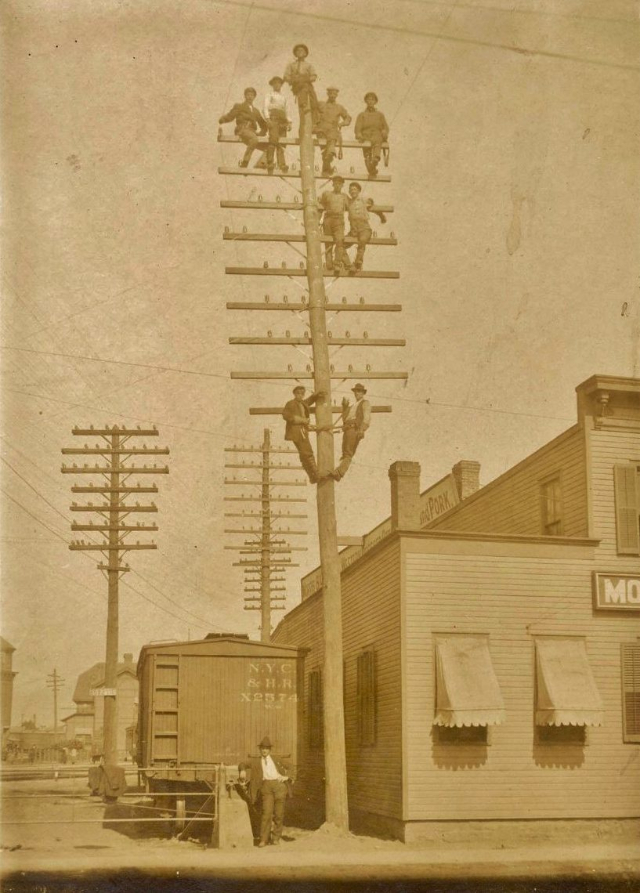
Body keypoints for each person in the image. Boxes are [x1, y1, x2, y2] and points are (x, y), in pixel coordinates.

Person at [238, 736, 292, 847]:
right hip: (266, 787)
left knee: (279, 814)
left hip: (279, 786)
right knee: (266, 813)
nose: (264, 750)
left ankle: (276, 838)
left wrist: (287, 777)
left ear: (270, 750)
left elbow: (291, 767)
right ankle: (264, 839)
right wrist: (242, 770)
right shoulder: (256, 761)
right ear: (260, 749)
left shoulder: (277, 759)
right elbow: (242, 763)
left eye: (266, 748)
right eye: (262, 748)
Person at [329, 383, 371, 481]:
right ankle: (338, 474)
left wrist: (362, 429)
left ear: (363, 393)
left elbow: (367, 417)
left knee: (348, 453)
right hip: (347, 430)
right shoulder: (353, 405)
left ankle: (339, 472)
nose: (357, 393)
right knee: (345, 453)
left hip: (354, 430)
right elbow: (345, 418)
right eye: (355, 391)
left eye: (359, 391)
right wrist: (345, 406)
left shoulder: (365, 403)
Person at [282, 386, 324, 483]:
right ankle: (316, 475)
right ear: (295, 394)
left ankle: (312, 477)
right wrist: (303, 420)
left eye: (302, 394)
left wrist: (315, 395)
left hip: (302, 431)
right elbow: (286, 415)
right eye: (298, 393)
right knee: (308, 452)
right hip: (297, 431)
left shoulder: (302, 403)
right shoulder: (291, 403)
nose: (300, 395)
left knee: (303, 454)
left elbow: (309, 401)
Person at [219, 87, 268, 168]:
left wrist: (261, 133)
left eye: (252, 95)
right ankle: (245, 162)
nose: (250, 97)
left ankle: (260, 165)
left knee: (268, 147)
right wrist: (223, 119)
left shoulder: (256, 111)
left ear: (254, 97)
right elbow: (230, 116)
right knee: (254, 139)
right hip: (242, 130)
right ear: (245, 96)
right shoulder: (239, 106)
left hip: (252, 133)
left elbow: (263, 125)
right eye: (248, 95)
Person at [346, 181, 387, 271]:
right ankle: (347, 265)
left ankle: (358, 263)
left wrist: (382, 216)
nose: (353, 191)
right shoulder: (348, 202)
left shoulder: (363, 200)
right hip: (353, 230)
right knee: (341, 244)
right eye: (351, 190)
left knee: (362, 240)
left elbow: (375, 207)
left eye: (355, 189)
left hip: (364, 228)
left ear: (359, 191)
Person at [318, 175, 353, 273]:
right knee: (328, 243)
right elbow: (320, 206)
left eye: (340, 184)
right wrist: (318, 220)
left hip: (338, 220)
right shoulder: (327, 194)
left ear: (342, 185)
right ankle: (329, 265)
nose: (337, 185)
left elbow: (352, 206)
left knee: (339, 241)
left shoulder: (344, 196)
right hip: (328, 219)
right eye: (336, 183)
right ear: (333, 184)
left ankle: (337, 263)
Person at [315, 87, 351, 175]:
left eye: (334, 94)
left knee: (331, 140)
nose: (332, 96)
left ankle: (329, 158)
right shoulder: (321, 104)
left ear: (336, 95)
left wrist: (342, 124)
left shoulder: (339, 107)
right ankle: (328, 159)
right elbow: (313, 113)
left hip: (332, 129)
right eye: (330, 93)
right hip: (321, 130)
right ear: (328, 94)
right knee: (325, 150)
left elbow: (348, 118)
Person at [355, 92, 389, 178]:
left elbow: (385, 127)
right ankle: (372, 168)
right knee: (367, 156)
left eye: (372, 99)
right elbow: (357, 128)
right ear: (366, 101)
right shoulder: (362, 115)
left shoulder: (380, 115)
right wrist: (359, 135)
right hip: (365, 136)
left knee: (377, 141)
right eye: (368, 99)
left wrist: (384, 132)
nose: (370, 101)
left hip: (376, 135)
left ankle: (376, 158)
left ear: (375, 102)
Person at [283, 44, 318, 122]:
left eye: (302, 50)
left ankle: (312, 114)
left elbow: (314, 76)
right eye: (298, 50)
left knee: (312, 98)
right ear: (295, 53)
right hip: (297, 85)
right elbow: (286, 76)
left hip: (306, 84)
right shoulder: (291, 65)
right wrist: (293, 80)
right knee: (303, 88)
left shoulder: (309, 65)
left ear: (305, 53)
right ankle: (303, 104)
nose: (300, 52)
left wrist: (306, 79)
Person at [263, 76, 291, 174]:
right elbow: (265, 107)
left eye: (279, 83)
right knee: (273, 140)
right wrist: (267, 119)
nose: (277, 85)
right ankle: (270, 162)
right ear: (272, 85)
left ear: (281, 85)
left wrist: (289, 122)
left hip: (282, 121)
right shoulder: (269, 95)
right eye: (275, 83)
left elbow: (286, 110)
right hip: (273, 119)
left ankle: (282, 164)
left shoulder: (284, 97)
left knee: (282, 143)